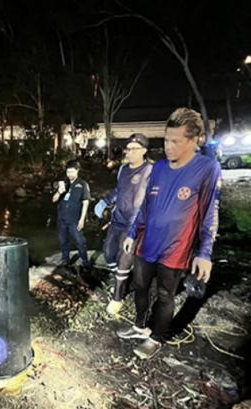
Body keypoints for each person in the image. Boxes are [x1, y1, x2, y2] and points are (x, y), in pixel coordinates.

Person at [119, 108, 222, 359]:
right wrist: (133, 232)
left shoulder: (207, 168)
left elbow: (210, 212)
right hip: (147, 242)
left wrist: (205, 252)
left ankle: (156, 338)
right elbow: (146, 206)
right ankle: (140, 326)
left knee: (166, 294)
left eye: (175, 141)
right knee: (140, 286)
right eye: (166, 139)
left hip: (177, 247)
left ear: (194, 140)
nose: (168, 146)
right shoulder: (159, 168)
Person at [99, 134, 153, 316]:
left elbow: (145, 201)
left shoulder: (149, 171)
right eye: (128, 149)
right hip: (117, 220)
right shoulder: (122, 169)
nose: (129, 152)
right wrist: (106, 201)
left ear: (144, 151)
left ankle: (117, 297)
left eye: (134, 149)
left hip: (135, 224)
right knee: (108, 254)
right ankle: (121, 279)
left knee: (124, 258)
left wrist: (134, 231)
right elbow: (119, 191)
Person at [52, 160, 91, 269]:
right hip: (62, 218)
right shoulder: (64, 183)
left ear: (77, 171)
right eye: (68, 172)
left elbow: (86, 202)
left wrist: (82, 219)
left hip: (74, 219)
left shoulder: (83, 184)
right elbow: (54, 200)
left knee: (80, 241)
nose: (70, 174)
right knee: (63, 241)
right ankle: (65, 260)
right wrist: (59, 191)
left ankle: (85, 261)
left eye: (72, 172)